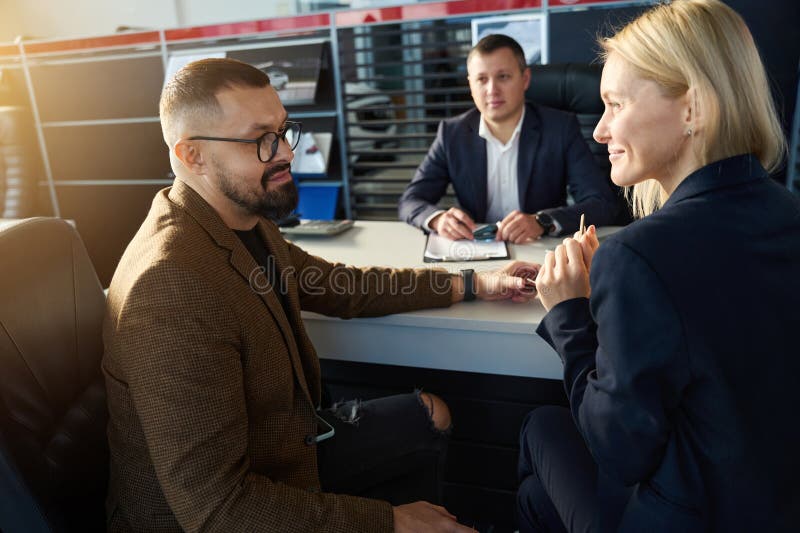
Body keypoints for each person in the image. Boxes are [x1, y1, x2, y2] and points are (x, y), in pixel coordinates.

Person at [103, 58, 538, 532]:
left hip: (283, 451)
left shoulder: (242, 224)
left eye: (283, 131)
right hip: (226, 509)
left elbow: (340, 285)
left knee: (429, 414)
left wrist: (474, 282)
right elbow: (218, 511)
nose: (287, 153)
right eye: (261, 139)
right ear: (193, 156)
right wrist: (388, 523)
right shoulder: (171, 285)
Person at [517, 1, 800, 532]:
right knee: (539, 492)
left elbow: (620, 454)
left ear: (691, 109)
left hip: (692, 515)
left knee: (539, 432)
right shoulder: (787, 213)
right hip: (771, 504)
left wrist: (570, 312)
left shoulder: (637, 256)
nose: (600, 131)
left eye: (615, 105)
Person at [398, 34, 619, 243]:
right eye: (481, 79)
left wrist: (542, 221)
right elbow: (411, 201)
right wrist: (437, 219)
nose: (492, 90)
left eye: (503, 77)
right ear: (470, 85)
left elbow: (601, 203)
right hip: (477, 250)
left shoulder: (560, 128)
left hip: (538, 250)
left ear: (525, 79)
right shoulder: (451, 134)